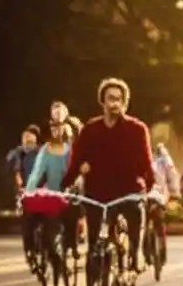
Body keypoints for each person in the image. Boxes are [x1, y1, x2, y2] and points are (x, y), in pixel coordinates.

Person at [63, 78, 154, 274]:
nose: (115, 103)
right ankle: (95, 276)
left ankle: (135, 254)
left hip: (128, 190)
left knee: (136, 213)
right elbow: (76, 161)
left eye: (119, 99)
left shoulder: (137, 130)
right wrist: (65, 185)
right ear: (102, 102)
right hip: (98, 193)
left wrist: (149, 187)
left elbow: (147, 163)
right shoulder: (90, 129)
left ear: (125, 103)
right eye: (110, 98)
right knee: (95, 243)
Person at [24, 114, 80, 261]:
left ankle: (72, 245)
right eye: (53, 127)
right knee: (31, 214)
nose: (56, 131)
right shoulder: (45, 150)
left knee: (73, 212)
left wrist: (74, 186)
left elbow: (75, 171)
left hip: (68, 192)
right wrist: (29, 191)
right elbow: (37, 172)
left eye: (59, 127)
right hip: (51, 193)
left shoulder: (71, 150)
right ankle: (30, 249)